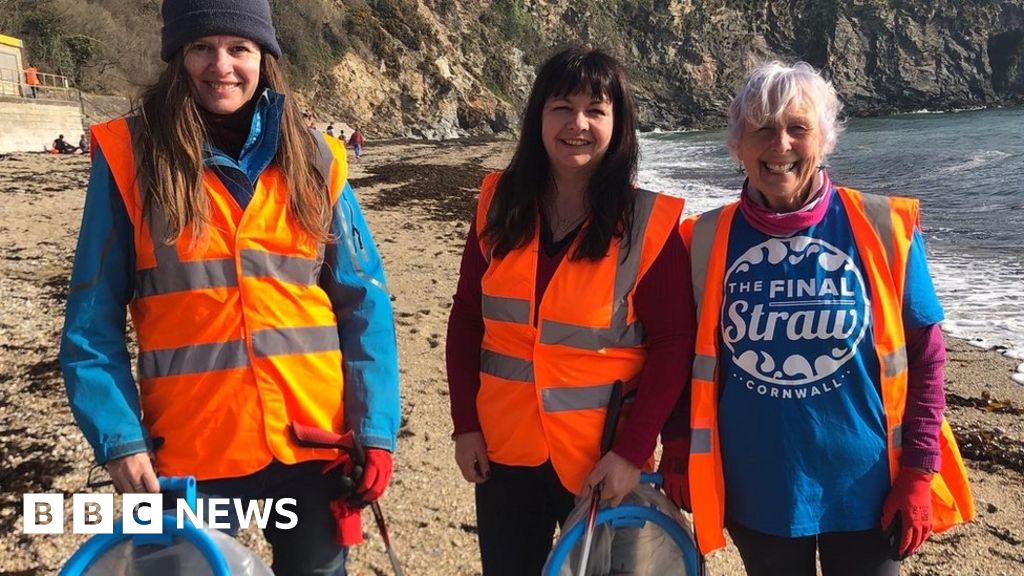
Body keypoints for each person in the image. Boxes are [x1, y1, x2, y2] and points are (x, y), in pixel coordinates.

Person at [58, 1, 400, 574]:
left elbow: (363, 302)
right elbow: (91, 320)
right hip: (189, 454)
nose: (222, 66)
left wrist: (375, 427)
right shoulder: (127, 157)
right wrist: (119, 439)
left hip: (313, 446)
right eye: (201, 47)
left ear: (264, 58)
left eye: (239, 48)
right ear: (176, 58)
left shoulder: (318, 158)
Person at [674, 61, 975, 576]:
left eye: (798, 128)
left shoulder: (884, 227)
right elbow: (680, 357)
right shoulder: (699, 240)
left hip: (868, 488)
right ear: (737, 144)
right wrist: (678, 444)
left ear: (825, 138)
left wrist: (920, 472)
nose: (780, 145)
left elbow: (927, 358)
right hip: (758, 489)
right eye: (762, 129)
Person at [445, 46, 695, 575]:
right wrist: (464, 424)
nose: (577, 124)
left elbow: (674, 345)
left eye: (595, 111)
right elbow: (467, 318)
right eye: (561, 107)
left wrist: (631, 451)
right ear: (538, 115)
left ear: (618, 124)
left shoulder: (648, 225)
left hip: (602, 461)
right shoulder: (496, 205)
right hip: (504, 451)